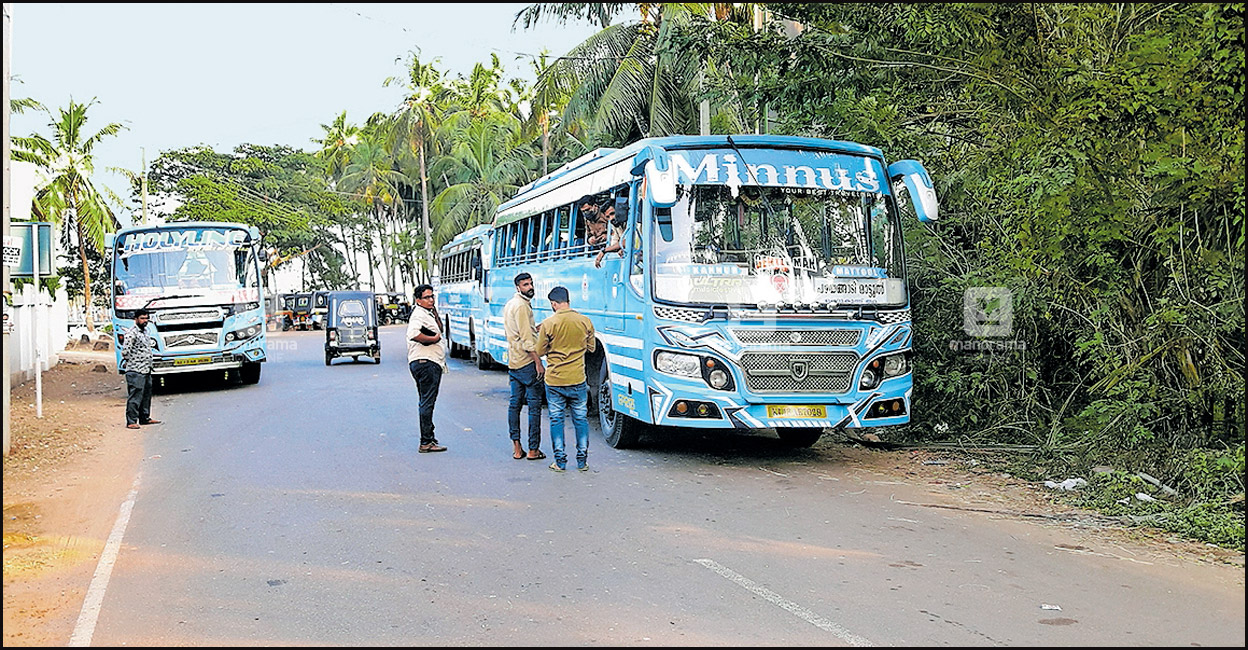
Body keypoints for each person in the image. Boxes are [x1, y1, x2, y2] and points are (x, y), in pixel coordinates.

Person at [536, 286, 597, 472]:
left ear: (554, 304)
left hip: (555, 381)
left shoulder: (548, 323)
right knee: (580, 419)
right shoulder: (585, 321)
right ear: (568, 301)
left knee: (557, 420)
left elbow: (539, 351)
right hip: (578, 378)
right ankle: (582, 461)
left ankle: (560, 462)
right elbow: (592, 348)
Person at [503, 272, 546, 461]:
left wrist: (537, 328)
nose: (530, 287)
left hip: (514, 362)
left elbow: (520, 332)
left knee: (515, 405)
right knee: (534, 407)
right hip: (527, 362)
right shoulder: (521, 306)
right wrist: (538, 363)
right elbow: (527, 342)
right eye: (526, 285)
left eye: (531, 283)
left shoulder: (511, 304)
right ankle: (533, 449)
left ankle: (517, 447)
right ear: (518, 287)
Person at [406, 284, 448, 453]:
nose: (431, 300)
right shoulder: (418, 315)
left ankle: (429, 437)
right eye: (427, 297)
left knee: (426, 401)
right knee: (427, 402)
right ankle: (426, 441)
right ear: (418, 300)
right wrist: (433, 339)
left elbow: (440, 328)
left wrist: (434, 311)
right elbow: (414, 334)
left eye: (432, 296)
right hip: (426, 362)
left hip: (429, 362)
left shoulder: (427, 313)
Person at [119, 309, 161, 430]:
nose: (145, 321)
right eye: (142, 318)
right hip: (135, 370)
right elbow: (125, 352)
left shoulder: (146, 331)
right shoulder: (131, 333)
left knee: (146, 395)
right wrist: (133, 361)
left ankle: (145, 417)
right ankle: (131, 421)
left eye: (146, 318)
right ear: (136, 319)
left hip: (146, 369)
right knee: (135, 396)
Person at [594, 200, 628, 268]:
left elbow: (628, 241)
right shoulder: (615, 224)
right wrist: (619, 249)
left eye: (612, 213)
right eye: (608, 217)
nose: (611, 218)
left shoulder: (633, 220)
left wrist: (604, 251)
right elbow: (614, 244)